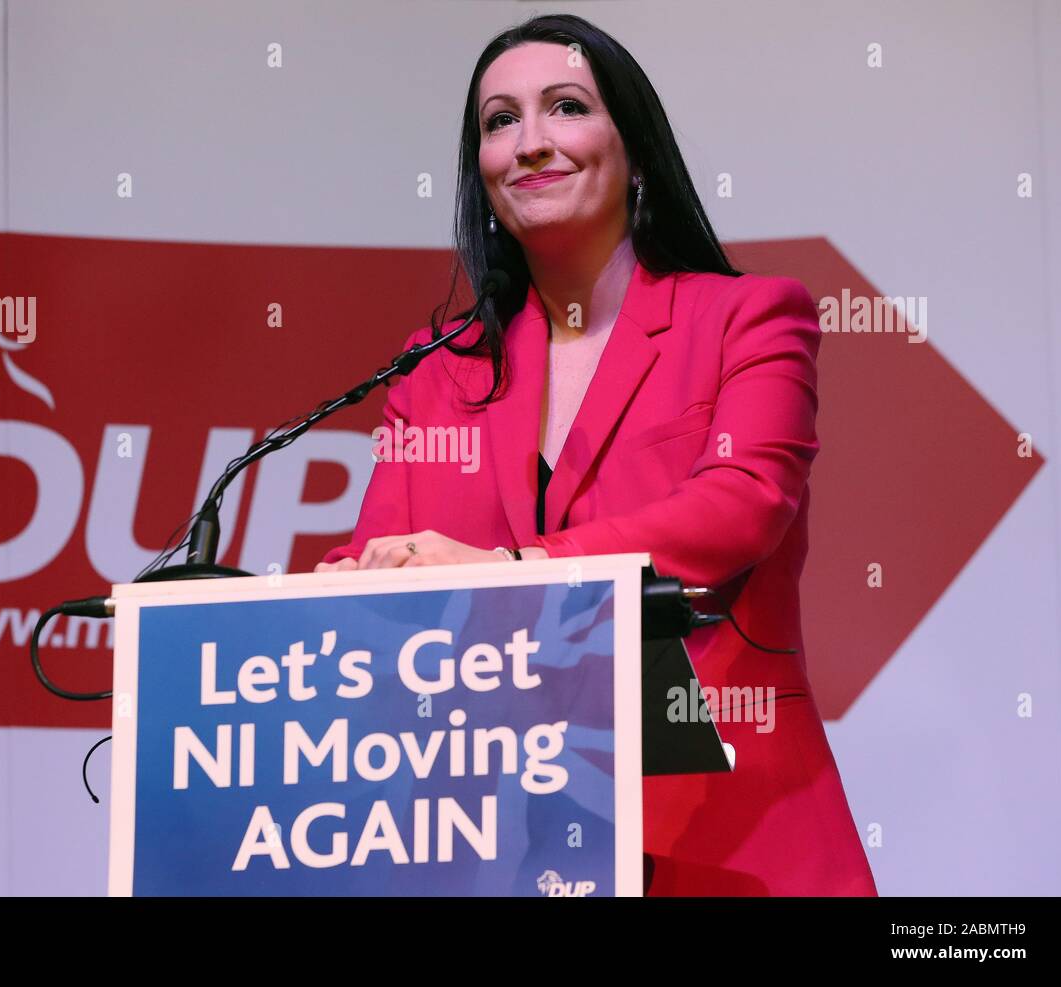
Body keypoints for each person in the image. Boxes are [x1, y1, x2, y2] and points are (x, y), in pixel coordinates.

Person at [316, 13, 877, 896]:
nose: (530, 144)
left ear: (636, 148)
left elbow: (743, 504)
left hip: (726, 834)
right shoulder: (435, 371)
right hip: (496, 843)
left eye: (565, 108)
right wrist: (322, 595)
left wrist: (515, 569)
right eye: (499, 122)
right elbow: (383, 564)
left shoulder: (750, 317)